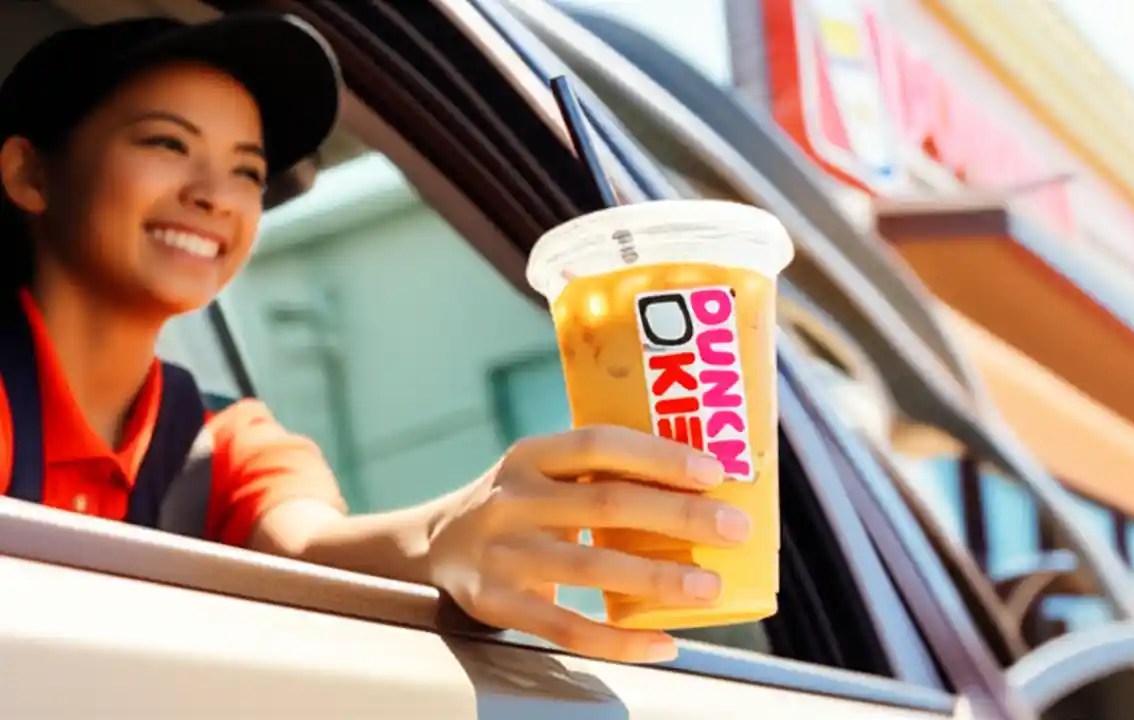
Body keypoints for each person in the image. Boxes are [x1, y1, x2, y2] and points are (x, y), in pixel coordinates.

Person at [0, 13, 751, 664]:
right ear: (30, 172)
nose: (214, 195)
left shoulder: (224, 444)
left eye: (248, 171)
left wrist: (456, 537)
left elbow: (311, 548)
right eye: (167, 144)